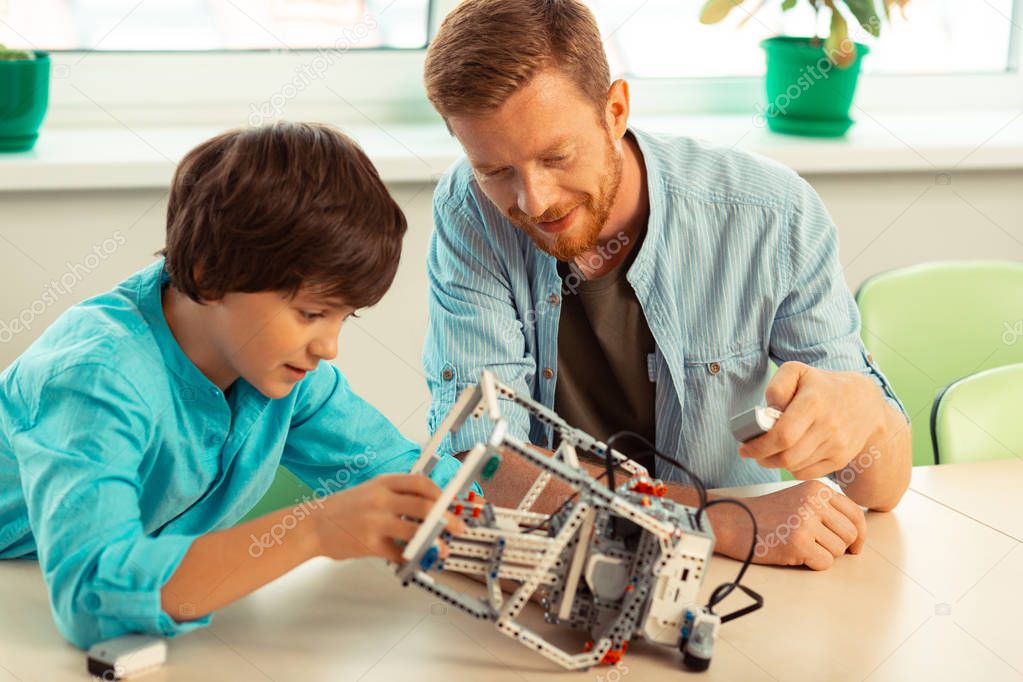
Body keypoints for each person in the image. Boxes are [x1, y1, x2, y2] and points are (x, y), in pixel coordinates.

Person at [420, 0, 912, 571]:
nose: (534, 201)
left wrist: (868, 415)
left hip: (743, 572)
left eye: (556, 155)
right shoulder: (468, 211)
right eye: (495, 171)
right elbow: (484, 457)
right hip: (572, 565)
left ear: (616, 109)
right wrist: (716, 522)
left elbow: (881, 490)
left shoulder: (773, 215)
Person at [0, 122, 466, 649]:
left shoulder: (285, 378)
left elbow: (413, 477)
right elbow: (93, 597)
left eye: (344, 318)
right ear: (211, 272)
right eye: (311, 313)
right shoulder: (96, 376)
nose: (328, 347)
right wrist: (315, 530)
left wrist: (523, 537)